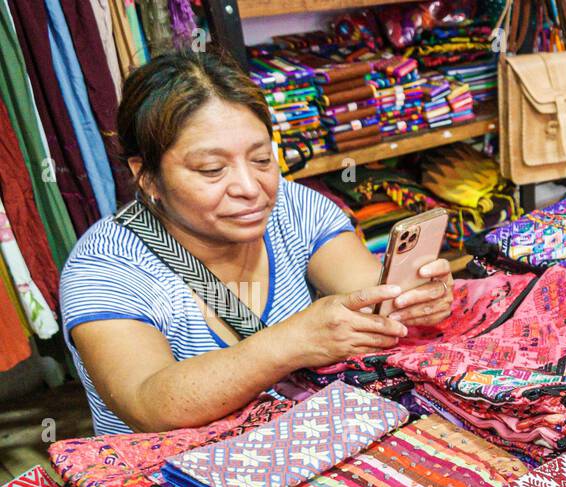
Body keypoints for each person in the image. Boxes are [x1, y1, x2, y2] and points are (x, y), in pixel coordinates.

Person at [59, 51, 454, 436]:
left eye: (262, 160)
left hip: (296, 451)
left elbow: (368, 292)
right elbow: (150, 406)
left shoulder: (294, 207)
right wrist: (294, 340)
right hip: (173, 483)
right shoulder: (104, 269)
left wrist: (410, 300)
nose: (251, 189)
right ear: (145, 176)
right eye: (212, 170)